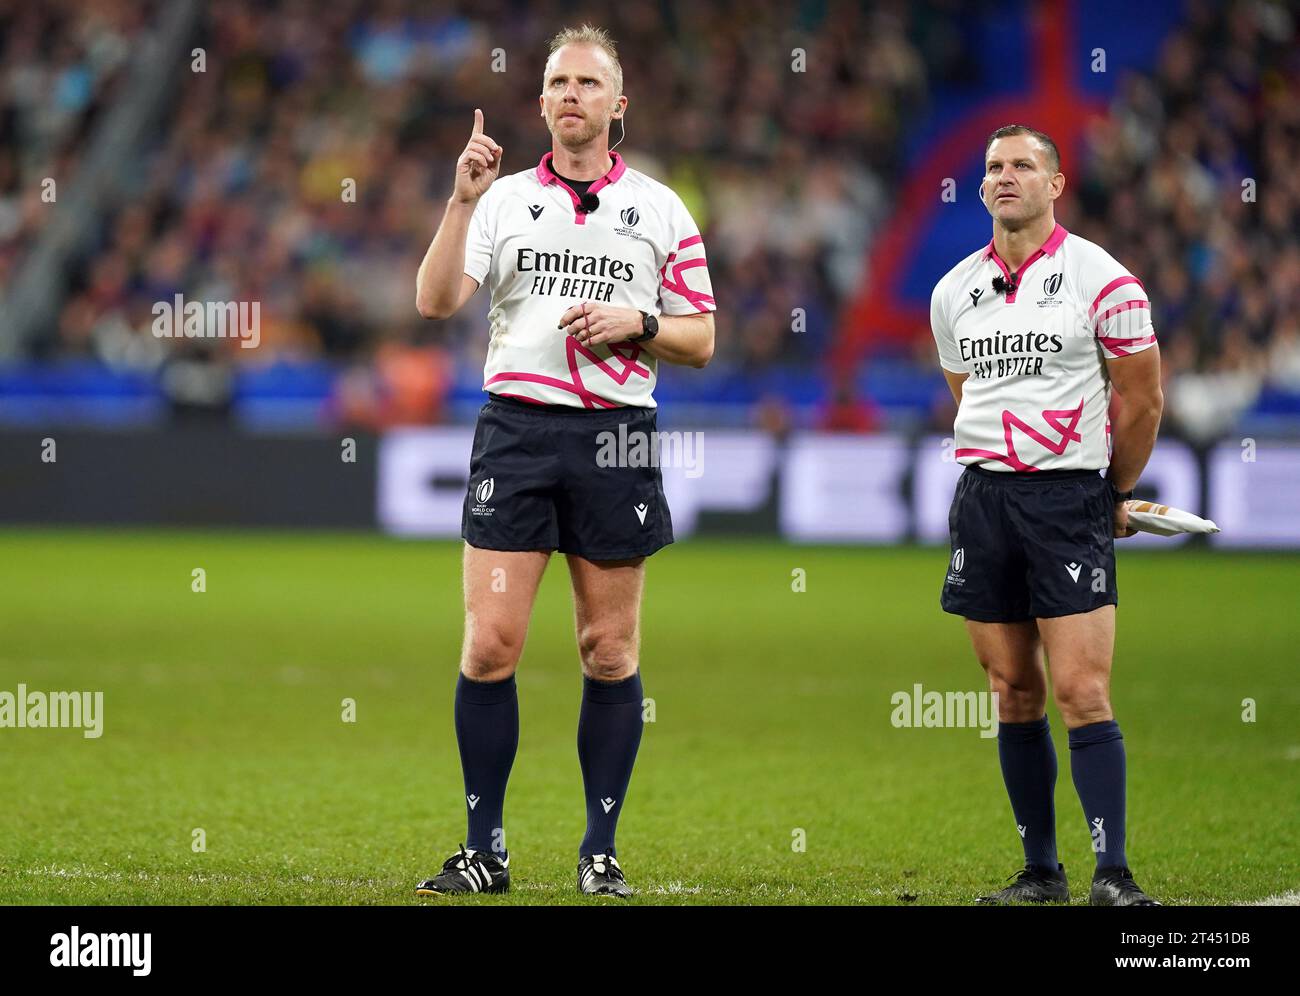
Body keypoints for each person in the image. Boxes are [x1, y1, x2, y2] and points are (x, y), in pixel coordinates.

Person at [413, 24, 715, 898]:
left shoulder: (661, 209)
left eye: (589, 82)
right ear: (541, 102)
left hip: (615, 437)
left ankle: (600, 851)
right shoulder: (501, 199)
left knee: (608, 650)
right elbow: (433, 303)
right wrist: (459, 200)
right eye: (558, 82)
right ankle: (483, 849)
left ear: (618, 105)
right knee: (490, 645)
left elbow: (701, 338)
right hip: (517, 430)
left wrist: (641, 325)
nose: (571, 94)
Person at [929, 125, 1163, 906]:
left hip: (1068, 501)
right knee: (1012, 692)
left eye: (1022, 166)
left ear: (1056, 183)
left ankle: (1114, 874)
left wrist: (1112, 490)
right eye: (993, 167)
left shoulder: (1106, 280)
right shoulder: (952, 291)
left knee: (1082, 692)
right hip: (984, 501)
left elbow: (1141, 397)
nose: (1004, 178)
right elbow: (970, 395)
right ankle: (1040, 872)